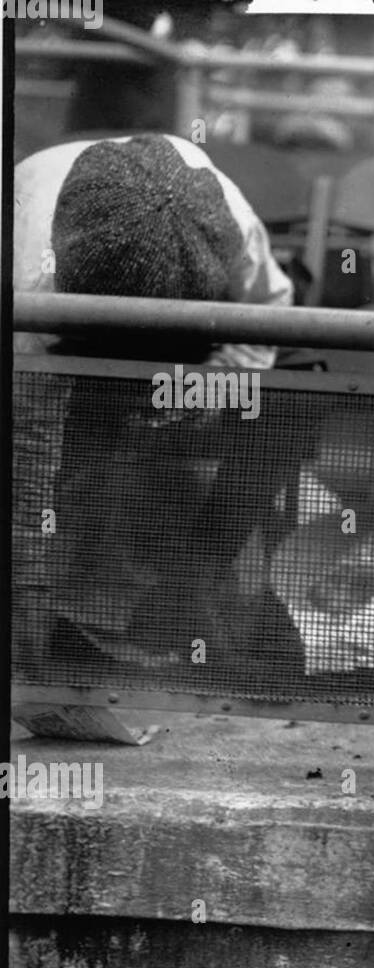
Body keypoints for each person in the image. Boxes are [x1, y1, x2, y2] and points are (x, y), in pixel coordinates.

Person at [12, 133, 302, 686]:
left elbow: (268, 314)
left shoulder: (229, 223)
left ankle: (200, 574)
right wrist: (27, 616)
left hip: (191, 363)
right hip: (51, 354)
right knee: (54, 485)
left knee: (291, 398)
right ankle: (63, 610)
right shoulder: (28, 274)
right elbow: (28, 454)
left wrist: (202, 391)